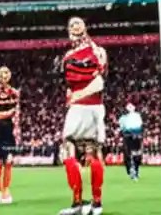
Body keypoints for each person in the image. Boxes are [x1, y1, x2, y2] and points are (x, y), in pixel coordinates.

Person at [58, 16, 107, 215]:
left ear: (86, 27)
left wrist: (78, 94)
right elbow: (69, 85)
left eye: (78, 23)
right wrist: (71, 94)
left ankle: (96, 203)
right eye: (71, 24)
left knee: (92, 152)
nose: (75, 26)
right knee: (68, 152)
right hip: (76, 108)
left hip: (92, 106)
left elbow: (100, 83)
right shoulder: (67, 56)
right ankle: (77, 203)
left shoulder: (98, 51)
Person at [0, 65, 20, 205]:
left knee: (8, 162)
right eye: (1, 74)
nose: (4, 76)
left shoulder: (15, 94)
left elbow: (17, 116)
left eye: (6, 73)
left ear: (10, 76)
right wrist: (7, 114)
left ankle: (6, 191)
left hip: (10, 133)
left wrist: (18, 133)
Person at [117, 103, 143, 180]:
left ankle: (134, 171)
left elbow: (140, 125)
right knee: (129, 155)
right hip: (129, 137)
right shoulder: (123, 118)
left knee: (135, 155)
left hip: (133, 137)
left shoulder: (136, 116)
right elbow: (123, 128)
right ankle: (132, 171)